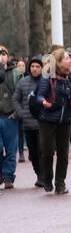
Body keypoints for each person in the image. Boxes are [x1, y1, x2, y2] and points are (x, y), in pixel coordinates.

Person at [35, 47, 71, 194]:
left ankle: (60, 183)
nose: (70, 61)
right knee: (48, 152)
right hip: (48, 120)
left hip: (65, 120)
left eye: (70, 58)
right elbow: (39, 96)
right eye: (67, 58)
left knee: (63, 154)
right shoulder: (47, 78)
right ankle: (47, 179)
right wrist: (43, 102)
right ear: (58, 62)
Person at [15, 57, 44, 184]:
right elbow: (15, 99)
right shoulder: (22, 82)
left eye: (37, 66)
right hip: (27, 123)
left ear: (42, 68)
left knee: (42, 151)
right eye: (32, 66)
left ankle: (43, 177)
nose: (35, 69)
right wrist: (20, 113)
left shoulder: (46, 81)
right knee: (32, 153)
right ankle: (39, 173)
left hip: (43, 123)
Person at [0, 46, 20, 190]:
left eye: (3, 53)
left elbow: (22, 93)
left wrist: (18, 112)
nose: (1, 57)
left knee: (11, 149)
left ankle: (8, 176)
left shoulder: (15, 73)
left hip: (10, 116)